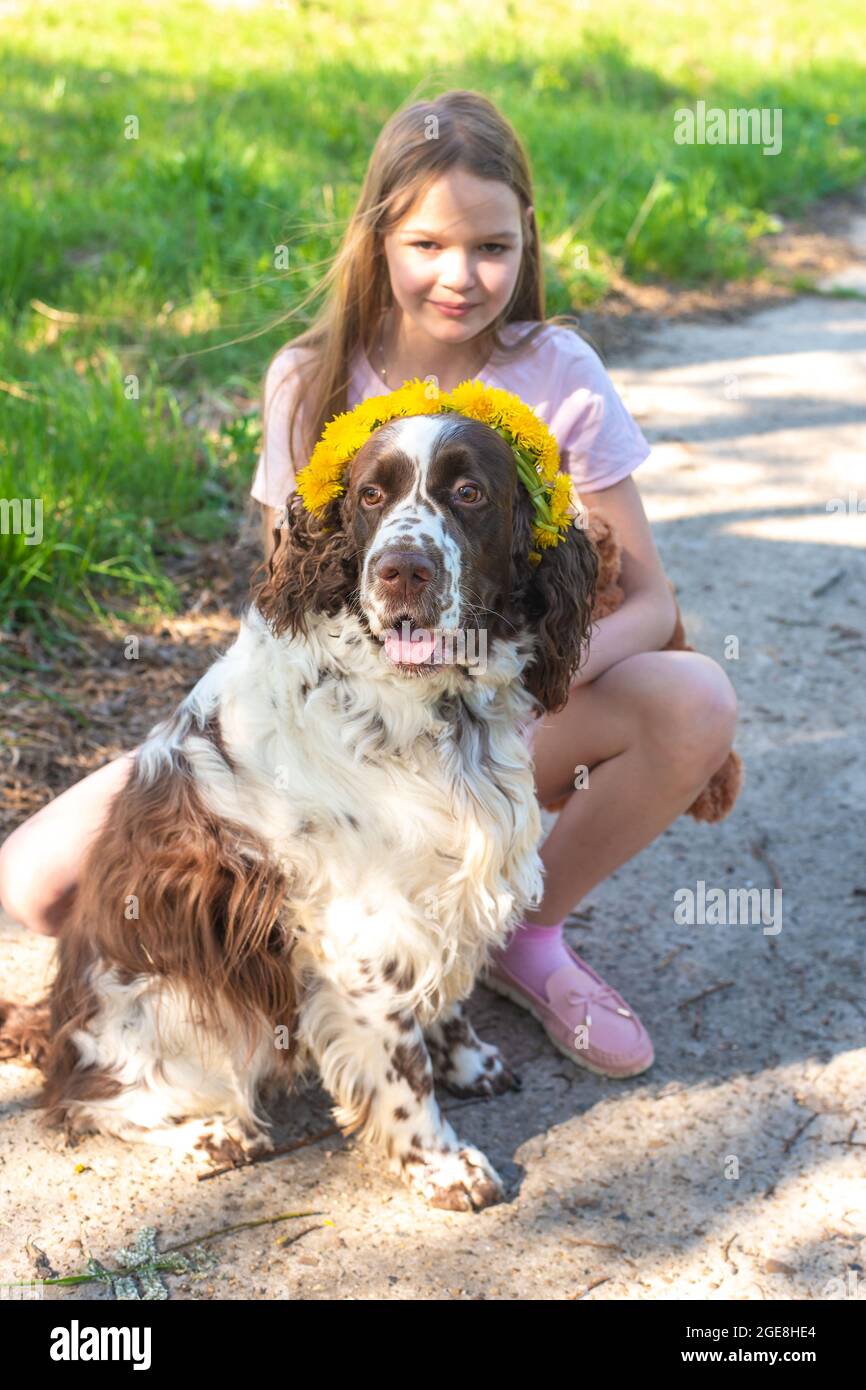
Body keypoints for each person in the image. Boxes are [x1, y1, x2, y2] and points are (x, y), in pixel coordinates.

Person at [0, 89, 737, 1079]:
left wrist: (518, 682)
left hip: (499, 711)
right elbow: (285, 606)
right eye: (427, 243)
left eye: (490, 247)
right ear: (377, 237)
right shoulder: (309, 378)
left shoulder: (557, 370)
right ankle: (282, 969)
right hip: (348, 726)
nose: (460, 276)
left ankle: (519, 931)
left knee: (693, 699)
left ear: (526, 243)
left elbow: (648, 602)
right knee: (41, 886)